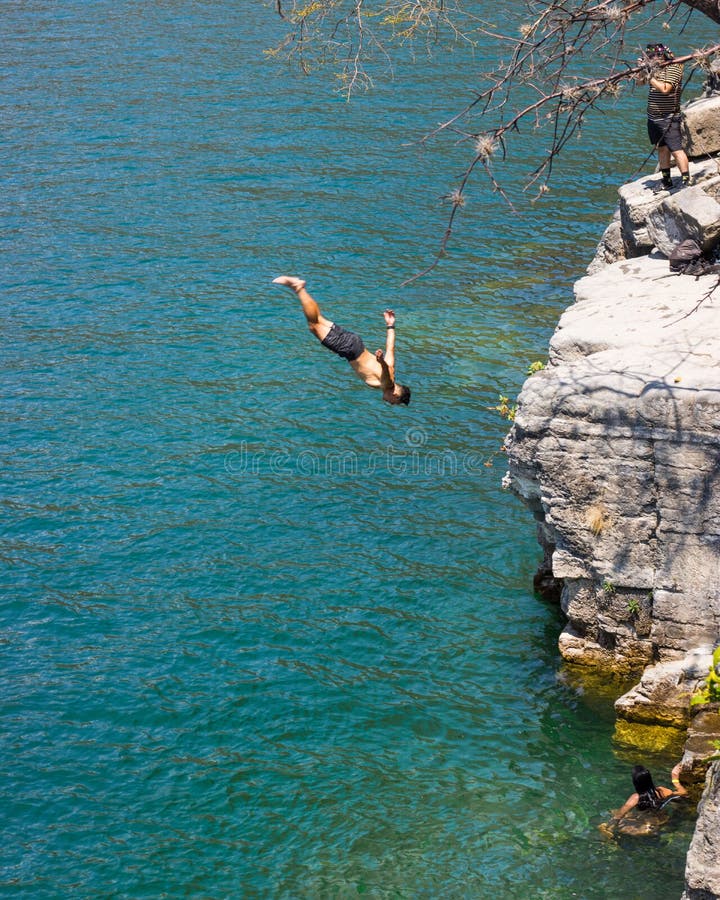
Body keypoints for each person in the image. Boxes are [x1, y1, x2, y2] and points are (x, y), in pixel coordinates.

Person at [272, 276, 411, 406]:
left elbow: (390, 347)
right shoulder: (388, 384)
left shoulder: (392, 371)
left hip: (354, 344)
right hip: (350, 349)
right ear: (395, 395)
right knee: (313, 325)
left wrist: (390, 324)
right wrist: (381, 361)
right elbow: (385, 370)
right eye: (393, 402)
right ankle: (298, 287)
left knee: (317, 321)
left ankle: (299, 288)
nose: (389, 403)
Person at [638, 42, 691, 192]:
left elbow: (665, 89)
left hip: (669, 117)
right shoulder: (655, 69)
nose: (655, 57)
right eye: (651, 55)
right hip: (653, 117)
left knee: (676, 149)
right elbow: (640, 82)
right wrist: (643, 71)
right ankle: (666, 181)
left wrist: (649, 76)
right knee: (661, 149)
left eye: (658, 55)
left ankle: (686, 180)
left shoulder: (675, 68)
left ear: (665, 55)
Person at [599, 761, 687, 837]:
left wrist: (608, 828)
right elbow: (683, 793)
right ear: (650, 779)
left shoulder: (636, 797)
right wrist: (674, 777)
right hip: (660, 821)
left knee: (611, 815)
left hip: (644, 825)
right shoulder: (662, 791)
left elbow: (618, 816)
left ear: (635, 782)